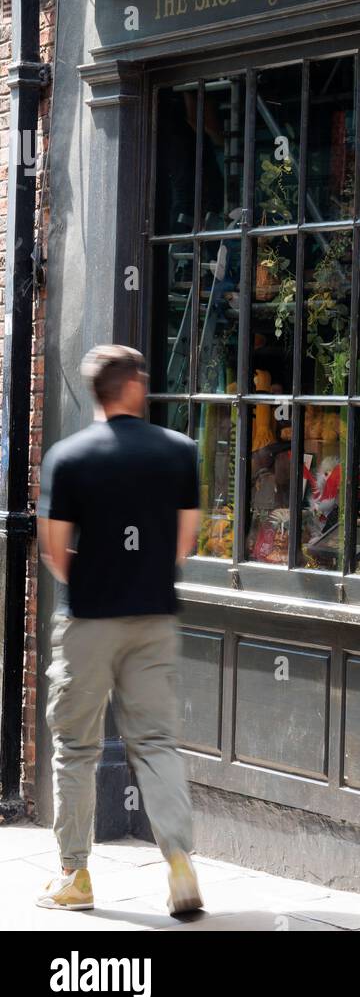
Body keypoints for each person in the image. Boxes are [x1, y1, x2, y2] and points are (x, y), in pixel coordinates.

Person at [35, 344, 203, 916]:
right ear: (131, 385)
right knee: (155, 742)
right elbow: (184, 543)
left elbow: (54, 551)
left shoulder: (68, 456)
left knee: (76, 747)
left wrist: (98, 574)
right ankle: (178, 863)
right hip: (155, 617)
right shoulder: (180, 451)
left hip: (87, 619)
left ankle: (75, 874)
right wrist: (144, 571)